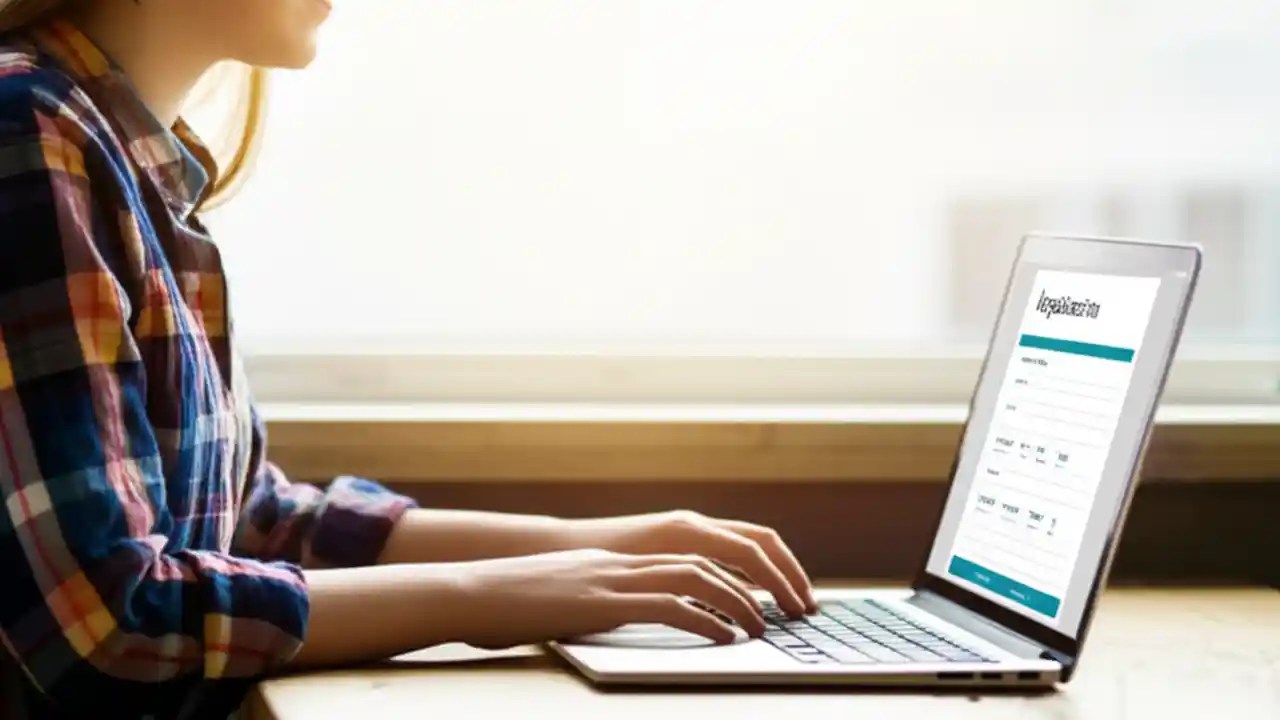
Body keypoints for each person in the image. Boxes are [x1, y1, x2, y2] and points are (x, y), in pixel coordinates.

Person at [0, 1, 818, 717]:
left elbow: (252, 525)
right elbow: (107, 625)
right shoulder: (26, 138)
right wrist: (488, 598)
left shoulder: (117, 155)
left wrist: (598, 545)